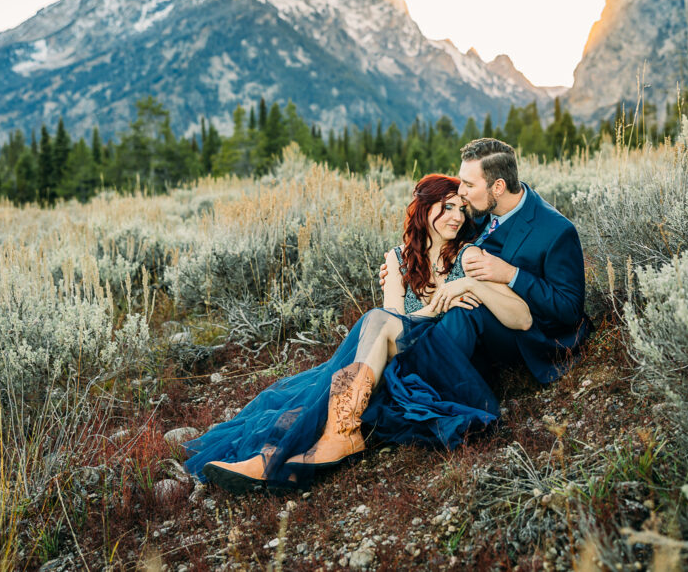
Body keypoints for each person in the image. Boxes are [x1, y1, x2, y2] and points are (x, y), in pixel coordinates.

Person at [184, 174, 534, 493]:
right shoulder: (398, 260)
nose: (457, 216)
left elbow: (522, 318)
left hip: (445, 363)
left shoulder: (468, 255)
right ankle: (279, 453)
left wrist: (468, 284)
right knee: (312, 390)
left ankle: (318, 444)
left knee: (364, 338)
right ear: (424, 208)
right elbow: (392, 322)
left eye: (462, 208)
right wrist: (434, 307)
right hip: (403, 361)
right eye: (447, 207)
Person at [380, 138, 590, 384]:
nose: (461, 192)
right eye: (461, 182)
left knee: (462, 312)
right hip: (468, 321)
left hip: (527, 334)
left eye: (468, 184)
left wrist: (511, 274)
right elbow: (437, 233)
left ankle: (413, 383)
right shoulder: (475, 211)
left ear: (498, 187)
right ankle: (399, 378)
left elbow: (570, 310)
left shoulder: (556, 230)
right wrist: (402, 264)